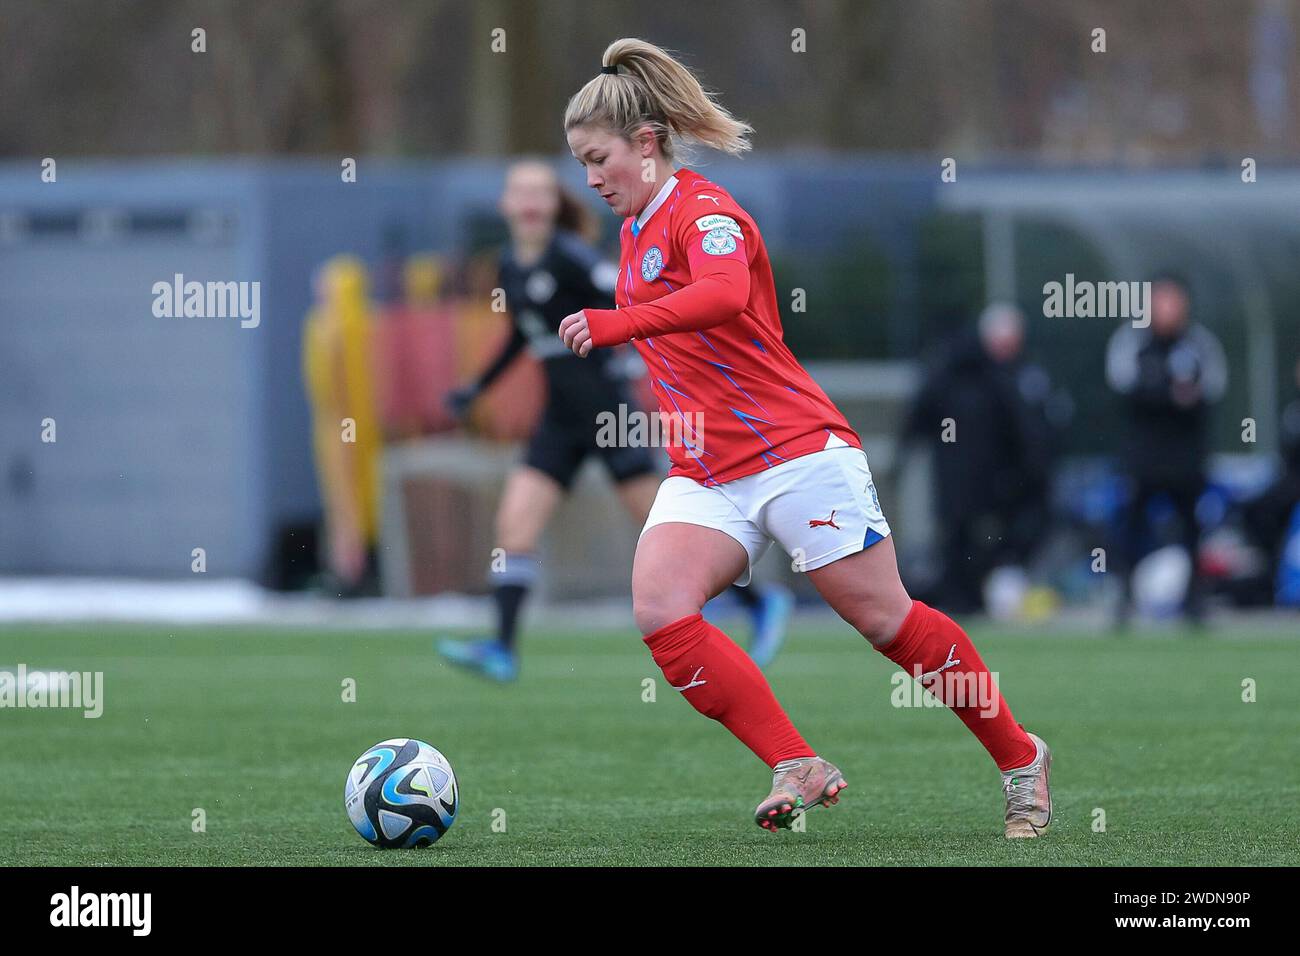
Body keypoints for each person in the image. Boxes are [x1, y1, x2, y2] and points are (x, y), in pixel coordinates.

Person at [557, 39, 1050, 837]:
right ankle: (796, 761)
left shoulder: (705, 213)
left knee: (888, 622)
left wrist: (620, 325)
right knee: (659, 608)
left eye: (597, 157)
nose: (589, 178)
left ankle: (1021, 757)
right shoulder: (636, 229)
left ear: (646, 145)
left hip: (794, 453)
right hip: (708, 470)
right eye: (581, 162)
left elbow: (718, 296)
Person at [438, 159, 792, 681]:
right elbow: (524, 332)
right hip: (559, 419)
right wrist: (479, 387)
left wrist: (639, 347)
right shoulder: (510, 265)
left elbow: (632, 296)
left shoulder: (572, 257)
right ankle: (502, 648)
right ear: (506, 204)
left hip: (609, 412)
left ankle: (758, 601)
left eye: (541, 193)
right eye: (522, 193)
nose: (532, 203)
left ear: (553, 205)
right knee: (514, 525)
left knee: (668, 529)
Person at [902, 303, 1065, 613]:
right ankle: (959, 598)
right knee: (959, 541)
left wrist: (1030, 472)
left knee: (991, 540)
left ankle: (976, 596)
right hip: (965, 480)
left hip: (1000, 483)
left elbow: (1032, 434)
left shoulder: (1022, 377)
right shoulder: (961, 374)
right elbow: (920, 417)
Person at [1105, 273, 1227, 627]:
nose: (1168, 309)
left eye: (1174, 301)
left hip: (1187, 456)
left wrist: (1183, 398)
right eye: (1161, 301)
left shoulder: (1201, 344)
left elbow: (1212, 391)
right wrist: (1168, 395)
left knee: (1192, 527)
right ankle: (1124, 596)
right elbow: (1126, 390)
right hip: (1144, 455)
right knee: (1131, 524)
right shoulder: (1131, 342)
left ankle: (1194, 600)